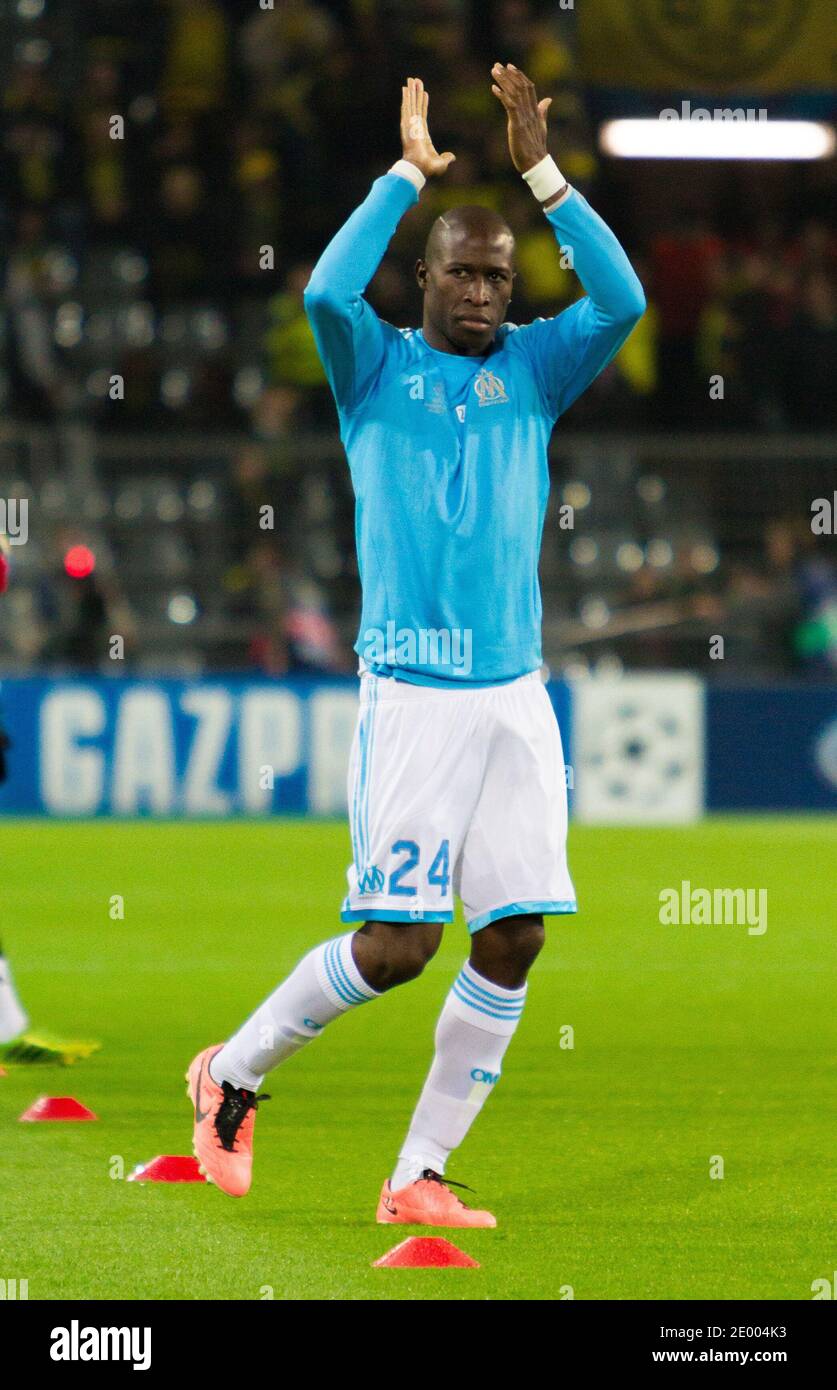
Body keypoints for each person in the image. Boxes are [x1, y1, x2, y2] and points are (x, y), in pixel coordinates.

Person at [187, 67, 645, 1226]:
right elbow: (326, 295)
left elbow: (625, 302)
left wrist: (544, 171)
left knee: (516, 936)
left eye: (501, 274)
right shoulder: (375, 367)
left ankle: (417, 1174)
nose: (487, 291)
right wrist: (405, 174)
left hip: (517, 698)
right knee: (395, 947)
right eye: (467, 272)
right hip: (414, 698)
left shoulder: (536, 370)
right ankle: (231, 1074)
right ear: (429, 278)